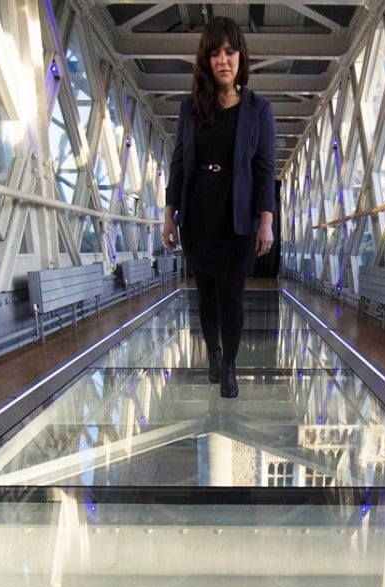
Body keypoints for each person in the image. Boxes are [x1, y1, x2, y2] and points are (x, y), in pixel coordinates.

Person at [162, 16, 276, 399]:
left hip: (237, 212)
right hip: (199, 211)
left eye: (230, 51)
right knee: (205, 292)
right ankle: (212, 353)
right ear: (206, 60)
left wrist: (266, 221)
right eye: (215, 53)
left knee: (232, 293)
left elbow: (263, 166)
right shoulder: (190, 107)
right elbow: (179, 161)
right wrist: (169, 215)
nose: (223, 60)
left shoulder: (259, 109)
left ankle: (229, 367)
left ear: (241, 55)